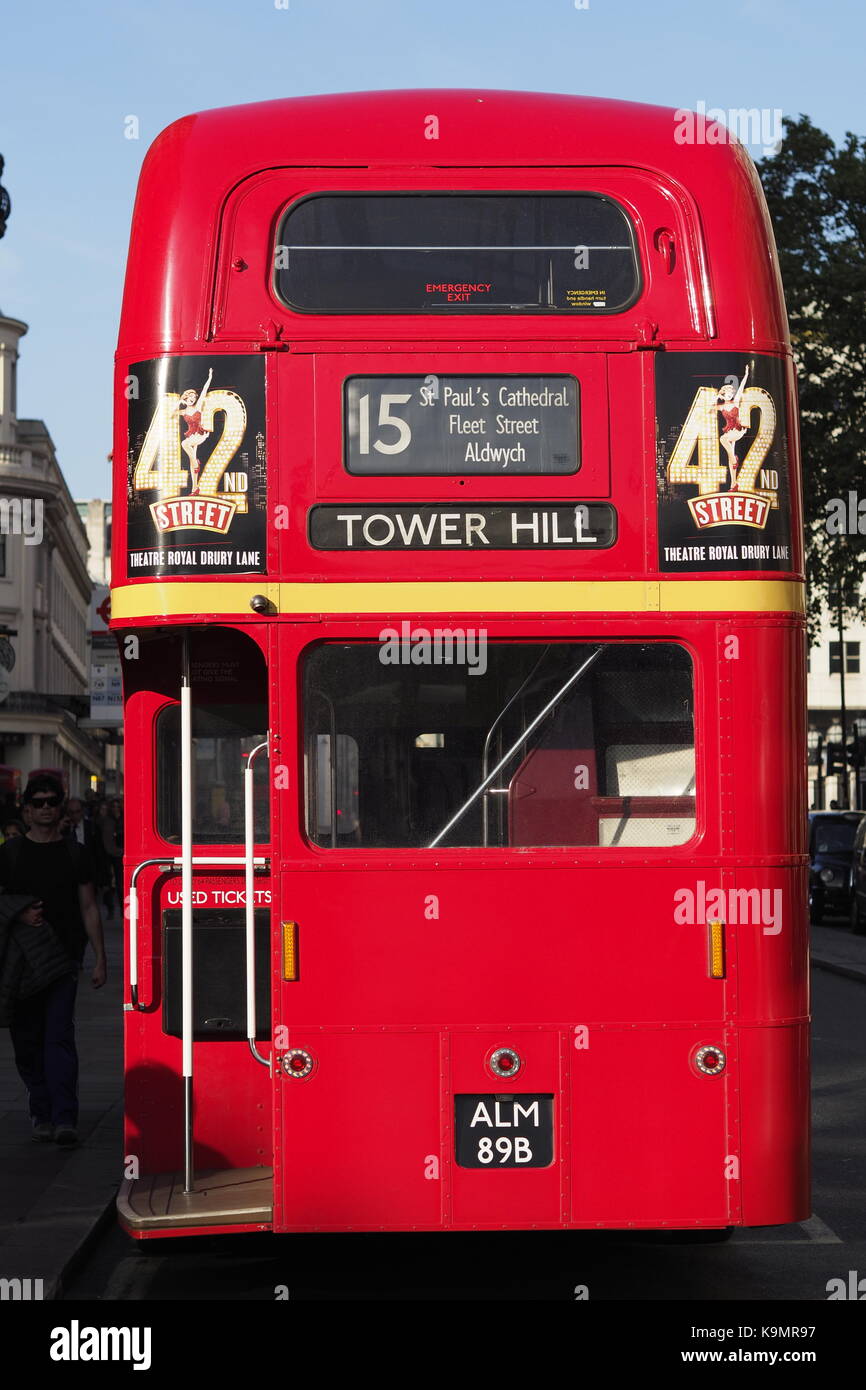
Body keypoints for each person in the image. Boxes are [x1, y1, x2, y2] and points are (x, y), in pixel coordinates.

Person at [0, 775, 106, 1146]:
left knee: (58, 1037)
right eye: (39, 802)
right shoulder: (10, 853)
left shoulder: (75, 854)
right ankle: (40, 1110)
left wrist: (99, 958)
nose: (46, 808)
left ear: (60, 807)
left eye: (52, 802)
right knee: (27, 1042)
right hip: (21, 963)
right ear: (27, 809)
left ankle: (64, 1117)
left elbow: (89, 906)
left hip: (64, 959)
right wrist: (19, 913)